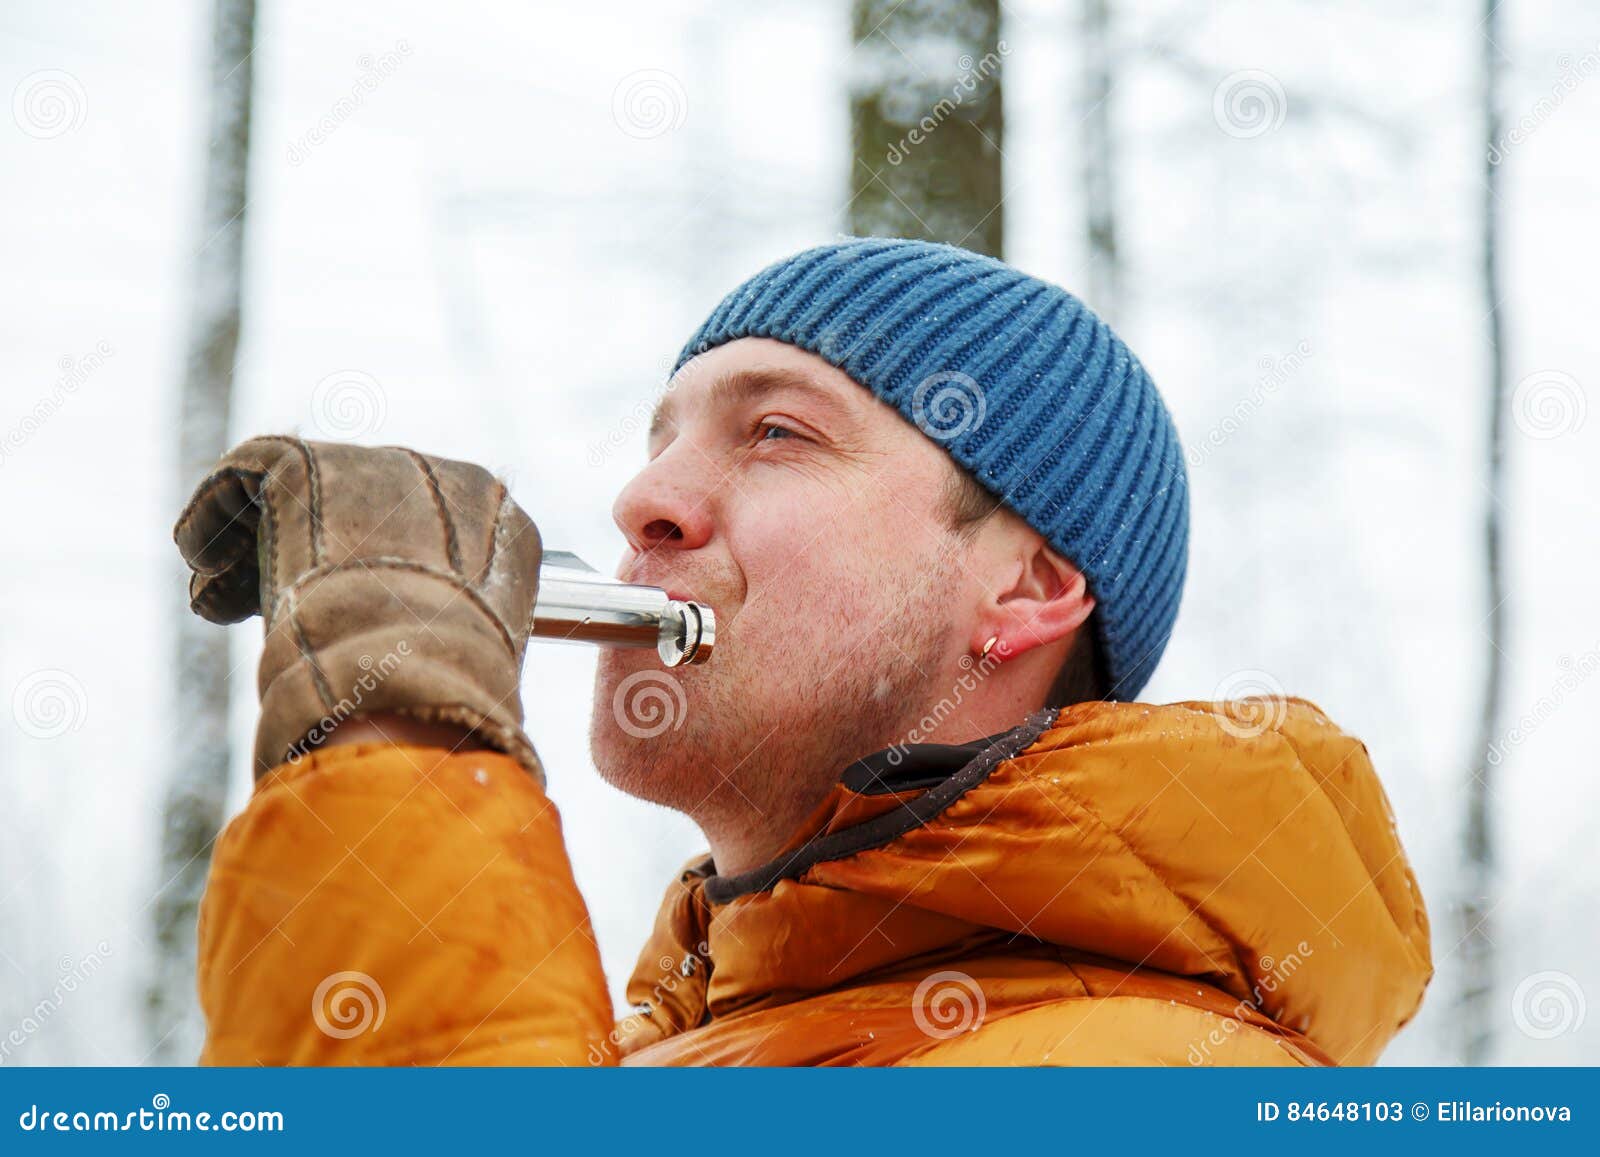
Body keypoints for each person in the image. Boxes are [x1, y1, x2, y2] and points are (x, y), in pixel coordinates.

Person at [177, 237, 1431, 1066]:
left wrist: (399, 741)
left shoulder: (1165, 1073)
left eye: (776, 431)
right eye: (659, 438)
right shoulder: (653, 1046)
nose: (643, 499)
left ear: (1031, 583)